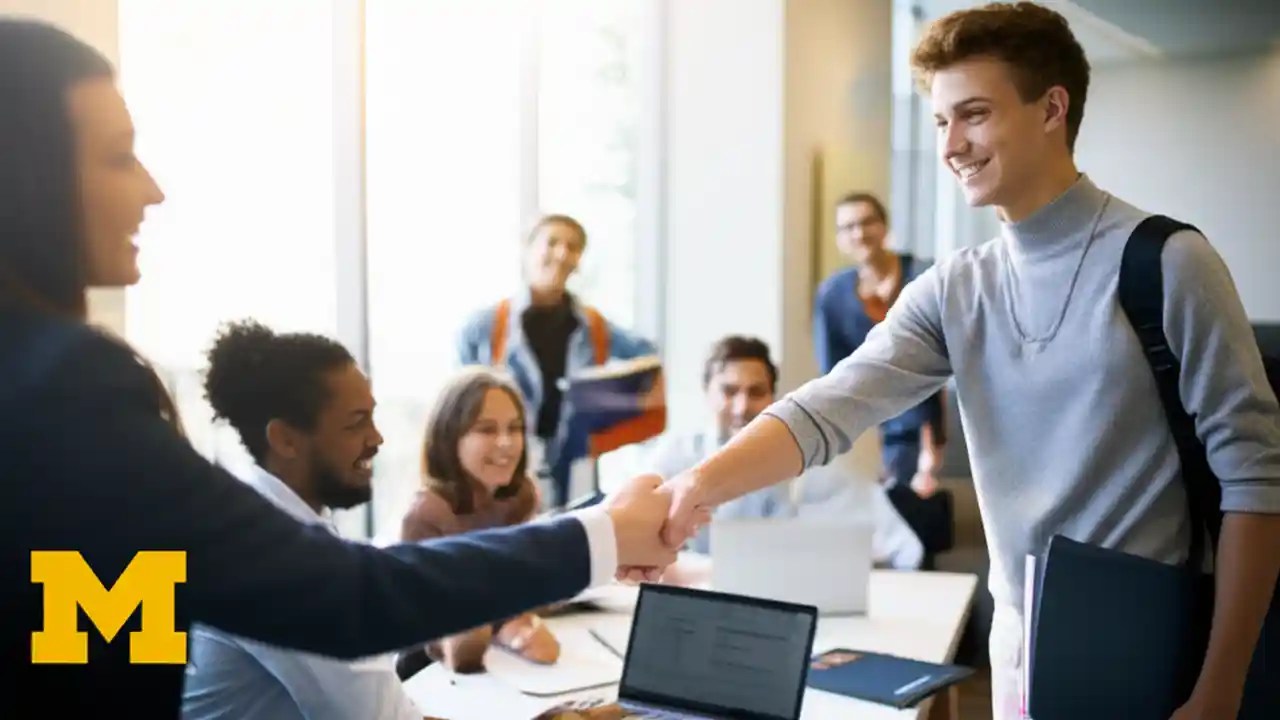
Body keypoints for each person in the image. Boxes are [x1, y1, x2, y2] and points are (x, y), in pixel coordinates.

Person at [0, 18, 675, 717]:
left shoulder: (45, 400)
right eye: (117, 158)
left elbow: (89, 645)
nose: (151, 190)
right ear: (27, 174)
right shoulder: (61, 384)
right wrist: (599, 535)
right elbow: (349, 600)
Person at [646, 4, 1280, 720]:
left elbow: (1256, 482)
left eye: (973, 114)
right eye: (941, 120)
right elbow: (829, 406)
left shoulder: (1170, 263)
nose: (952, 144)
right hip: (1018, 641)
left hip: (1152, 646)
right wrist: (697, 487)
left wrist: (1220, 689)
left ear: (1052, 108)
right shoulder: (954, 289)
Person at [180, 321, 419, 720]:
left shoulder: (270, 520)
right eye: (355, 422)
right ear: (286, 440)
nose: (377, 438)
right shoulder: (269, 557)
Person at [645, 335, 924, 570]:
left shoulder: (813, 462)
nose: (742, 407)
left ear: (774, 398)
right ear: (707, 391)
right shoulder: (673, 458)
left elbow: (901, 548)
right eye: (729, 391)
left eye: (756, 392)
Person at [456, 214, 661, 507]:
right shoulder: (485, 327)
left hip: (572, 460)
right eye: (552, 242)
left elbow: (648, 358)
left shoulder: (593, 326)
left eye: (573, 247)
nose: (562, 253)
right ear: (527, 250)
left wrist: (607, 406)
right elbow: (460, 404)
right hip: (504, 461)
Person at [400, 367, 561, 671]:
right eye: (487, 430)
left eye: (514, 429)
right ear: (450, 438)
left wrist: (521, 628)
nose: (505, 443)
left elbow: (523, 587)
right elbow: (428, 626)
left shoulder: (520, 496)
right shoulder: (427, 515)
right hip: (430, 669)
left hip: (499, 656)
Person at [814, 192, 946, 498]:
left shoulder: (923, 275)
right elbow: (833, 373)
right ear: (839, 239)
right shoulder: (832, 294)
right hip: (868, 420)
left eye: (867, 222)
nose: (859, 233)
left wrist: (934, 442)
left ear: (885, 227)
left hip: (922, 415)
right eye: (848, 227)